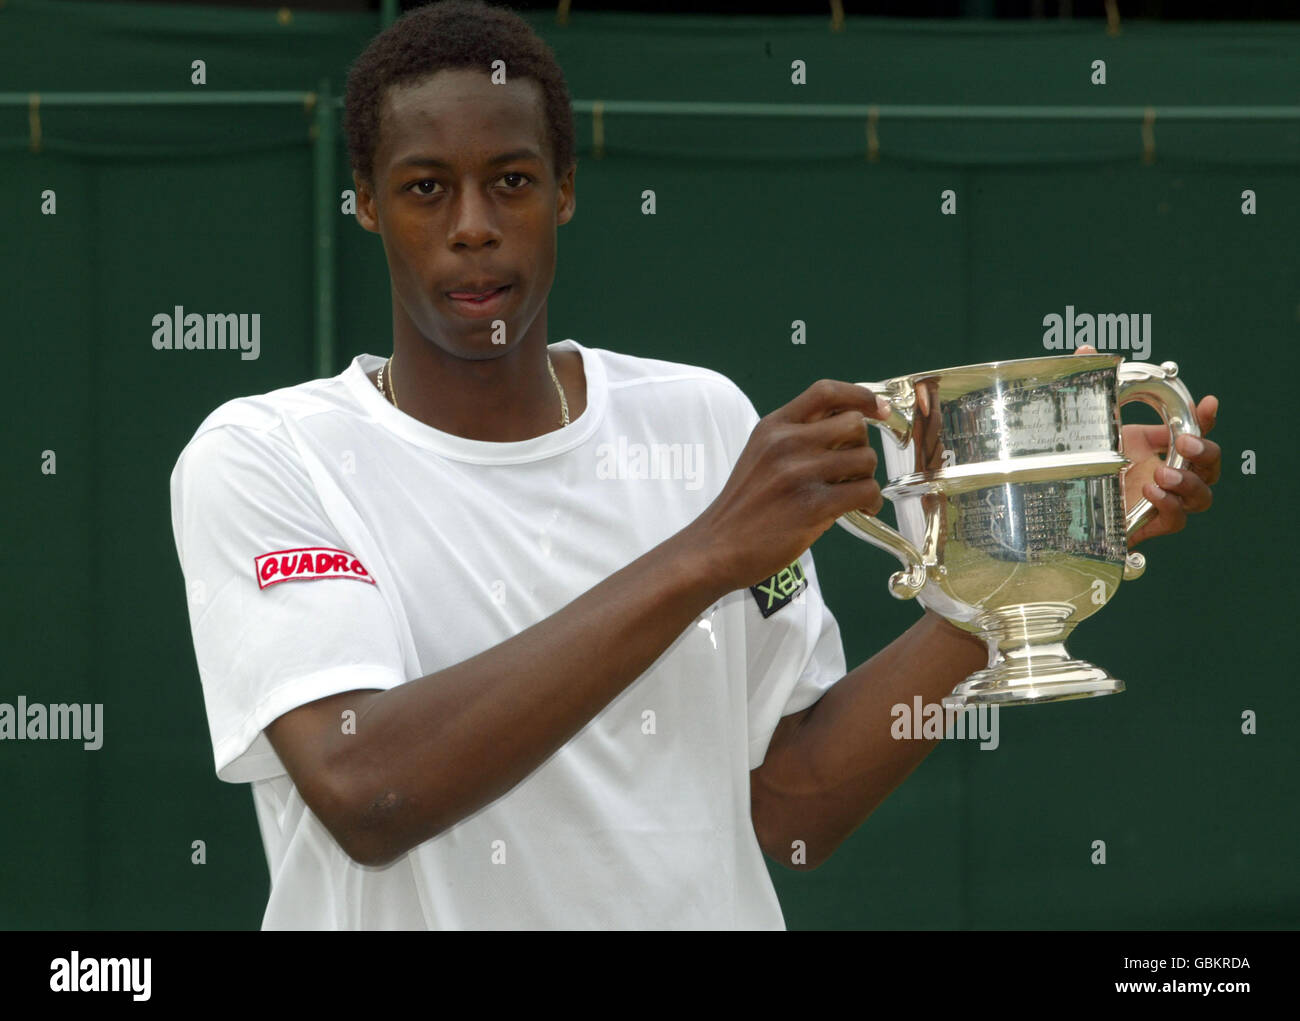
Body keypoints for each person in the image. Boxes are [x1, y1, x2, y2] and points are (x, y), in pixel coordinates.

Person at [168, 0, 1222, 930]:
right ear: (363, 201)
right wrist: (707, 552)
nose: (473, 227)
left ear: (567, 191)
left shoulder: (702, 420)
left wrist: (1013, 565)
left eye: (512, 180)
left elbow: (794, 805)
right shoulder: (266, 456)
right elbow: (368, 790)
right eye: (425, 188)